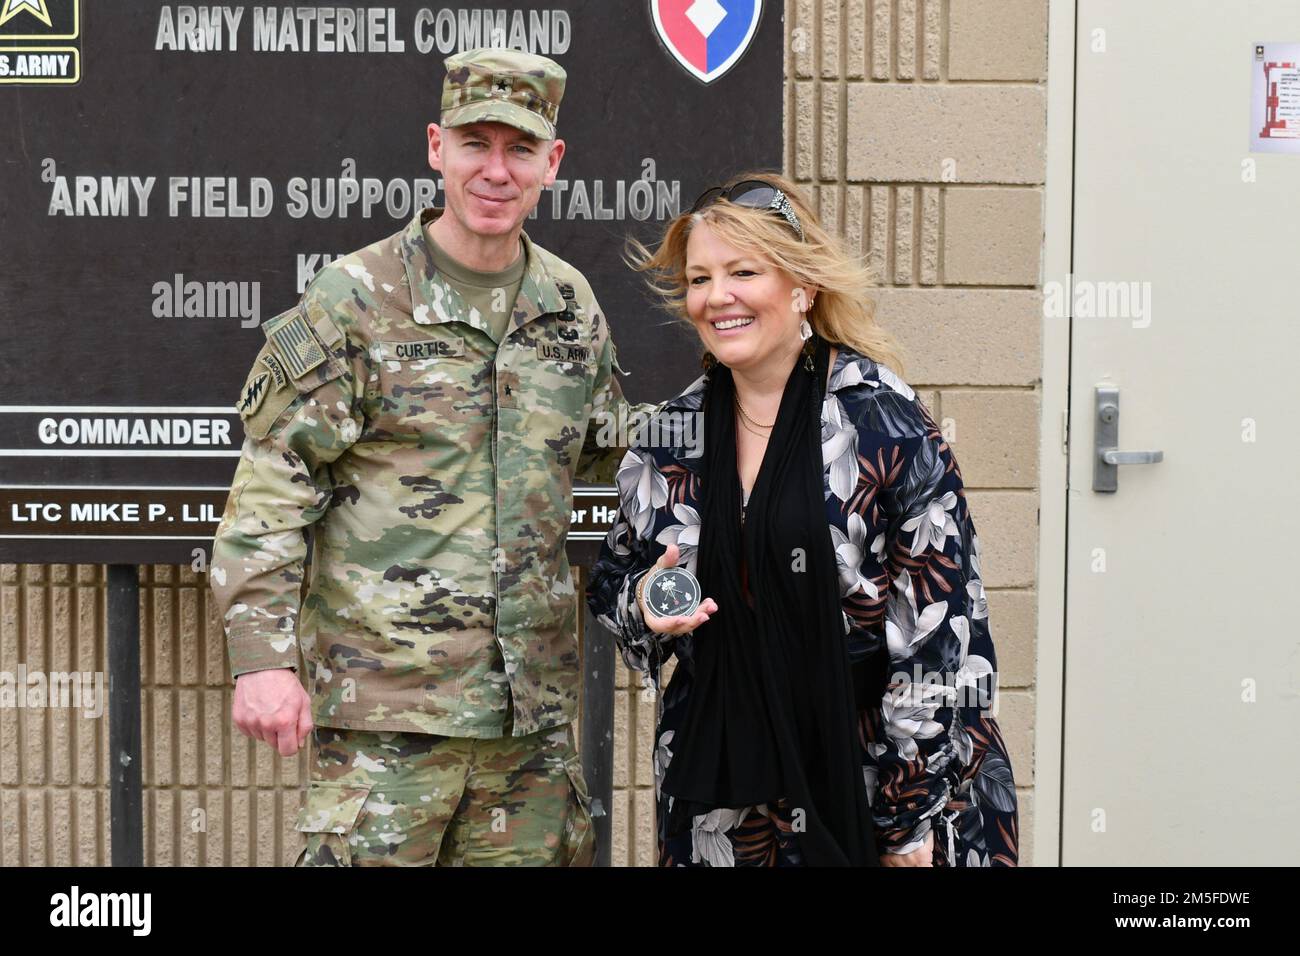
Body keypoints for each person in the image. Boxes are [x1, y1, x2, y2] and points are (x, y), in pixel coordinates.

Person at [210, 48, 644, 866]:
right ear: (435, 147)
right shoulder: (356, 296)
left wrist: (763, 410)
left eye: (519, 149)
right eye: (476, 143)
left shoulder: (567, 304)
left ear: (551, 163)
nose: (495, 170)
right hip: (388, 723)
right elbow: (274, 484)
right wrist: (262, 660)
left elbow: (612, 452)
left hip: (530, 731)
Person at [587, 172, 1020, 867]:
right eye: (700, 278)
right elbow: (612, 583)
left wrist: (910, 821)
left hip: (875, 781)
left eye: (742, 272)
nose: (716, 296)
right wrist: (643, 602)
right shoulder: (670, 437)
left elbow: (944, 637)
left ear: (802, 287)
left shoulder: (885, 427)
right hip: (725, 802)